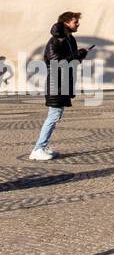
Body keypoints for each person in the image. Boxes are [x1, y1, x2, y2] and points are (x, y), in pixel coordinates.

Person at [30, 11, 88, 161]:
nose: (78, 24)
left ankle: (42, 146)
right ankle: (38, 149)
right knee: (53, 116)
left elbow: (71, 62)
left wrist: (80, 56)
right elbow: (56, 62)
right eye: (75, 22)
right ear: (66, 23)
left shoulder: (70, 39)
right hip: (55, 82)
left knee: (55, 115)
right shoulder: (56, 41)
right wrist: (76, 55)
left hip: (63, 82)